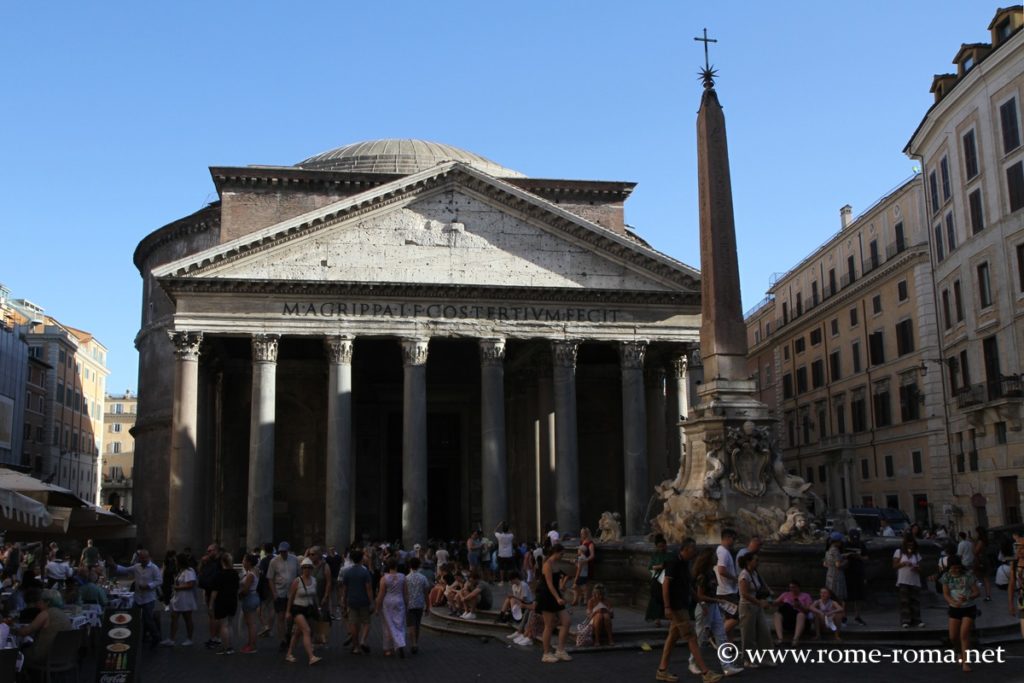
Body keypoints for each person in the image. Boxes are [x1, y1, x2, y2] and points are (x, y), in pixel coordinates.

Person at [657, 538, 723, 683]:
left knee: (672, 638)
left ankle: (662, 670)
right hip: (677, 606)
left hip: (681, 605)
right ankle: (705, 673)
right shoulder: (674, 562)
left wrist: (699, 601)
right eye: (693, 549)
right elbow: (665, 584)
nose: (695, 552)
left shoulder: (685, 563)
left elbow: (688, 587)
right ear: (685, 549)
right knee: (691, 637)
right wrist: (667, 606)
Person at [689, 547, 743, 677]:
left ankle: (727, 666)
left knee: (721, 636)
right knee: (701, 637)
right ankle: (693, 661)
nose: (717, 558)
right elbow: (700, 595)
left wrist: (718, 601)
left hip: (713, 607)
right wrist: (717, 600)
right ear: (709, 558)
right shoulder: (703, 576)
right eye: (714, 556)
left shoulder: (712, 573)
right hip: (704, 608)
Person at [110, 549, 163, 646]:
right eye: (141, 558)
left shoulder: (154, 568)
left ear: (148, 557)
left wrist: (148, 586)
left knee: (148, 619)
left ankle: (156, 637)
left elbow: (159, 581)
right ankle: (138, 636)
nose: (142, 560)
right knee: (135, 617)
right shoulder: (136, 567)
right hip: (138, 598)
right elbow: (125, 570)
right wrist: (114, 565)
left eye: (144, 558)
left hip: (148, 598)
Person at [10, 589, 71, 667]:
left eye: (40, 600)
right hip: (63, 654)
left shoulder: (46, 614)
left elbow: (24, 632)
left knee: (18, 652)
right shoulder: (63, 614)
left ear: (47, 602)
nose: (37, 603)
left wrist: (11, 629)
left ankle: (17, 673)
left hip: (44, 655)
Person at [941, 555, 980, 673]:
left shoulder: (968, 576)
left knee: (964, 634)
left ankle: (966, 662)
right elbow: (946, 593)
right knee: (953, 636)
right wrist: (952, 602)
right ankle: (958, 651)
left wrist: (968, 597)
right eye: (954, 568)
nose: (956, 570)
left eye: (958, 568)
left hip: (968, 607)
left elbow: (977, 592)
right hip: (954, 608)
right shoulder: (946, 576)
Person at [536, 544, 572, 664]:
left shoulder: (556, 563)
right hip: (547, 596)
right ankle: (546, 654)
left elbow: (559, 581)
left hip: (555, 595)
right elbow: (549, 584)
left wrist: (561, 595)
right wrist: (558, 598)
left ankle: (560, 650)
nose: (562, 556)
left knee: (567, 621)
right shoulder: (547, 564)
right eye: (561, 554)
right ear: (555, 552)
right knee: (549, 625)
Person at [738, 552, 773, 668]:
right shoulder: (744, 575)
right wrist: (760, 603)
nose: (758, 562)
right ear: (749, 561)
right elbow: (744, 594)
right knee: (748, 634)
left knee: (764, 632)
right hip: (747, 606)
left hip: (756, 605)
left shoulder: (755, 573)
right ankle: (747, 659)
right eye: (756, 560)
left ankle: (766, 657)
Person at [285, 557, 322, 665]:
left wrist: (318, 608)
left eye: (309, 567)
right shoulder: (297, 581)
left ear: (312, 569)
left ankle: (289, 654)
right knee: (306, 630)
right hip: (298, 609)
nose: (307, 569)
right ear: (302, 569)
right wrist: (288, 611)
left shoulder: (314, 580)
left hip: (308, 609)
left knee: (297, 633)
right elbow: (291, 597)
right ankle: (311, 657)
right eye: (305, 567)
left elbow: (314, 597)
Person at [340, 549, 374, 654]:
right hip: (364, 600)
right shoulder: (365, 572)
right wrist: (371, 602)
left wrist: (343, 602)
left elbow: (344, 590)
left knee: (353, 624)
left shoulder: (347, 572)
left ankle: (356, 647)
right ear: (361, 559)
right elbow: (369, 589)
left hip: (352, 601)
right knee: (366, 622)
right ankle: (363, 640)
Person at [267, 541, 299, 652]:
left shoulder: (295, 560)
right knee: (280, 617)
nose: (283, 553)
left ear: (288, 551)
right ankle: (283, 640)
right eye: (281, 552)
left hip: (292, 593)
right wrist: (274, 593)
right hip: (280, 592)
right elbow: (270, 578)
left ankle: (288, 634)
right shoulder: (274, 561)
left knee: (291, 617)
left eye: (284, 552)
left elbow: (299, 575)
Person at [162, 552, 197, 646]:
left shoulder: (189, 571)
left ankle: (189, 639)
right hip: (178, 598)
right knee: (174, 618)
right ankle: (171, 639)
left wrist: (177, 587)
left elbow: (191, 584)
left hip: (186, 599)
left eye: (176, 561)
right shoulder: (181, 571)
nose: (175, 562)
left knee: (187, 619)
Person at [376, 557, 407, 657]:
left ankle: (388, 648)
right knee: (399, 624)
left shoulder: (384, 578)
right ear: (396, 566)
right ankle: (400, 642)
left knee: (387, 625)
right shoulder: (403, 577)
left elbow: (381, 594)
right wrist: (407, 604)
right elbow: (405, 593)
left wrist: (377, 607)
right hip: (399, 600)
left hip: (388, 601)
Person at [210, 552, 239, 655]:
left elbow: (215, 591)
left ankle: (225, 647)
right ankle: (230, 646)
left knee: (223, 625)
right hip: (232, 600)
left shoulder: (219, 575)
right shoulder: (235, 573)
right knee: (230, 624)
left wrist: (211, 604)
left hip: (221, 601)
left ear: (222, 562)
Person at [893, 535, 925, 628]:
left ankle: (917, 620)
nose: (910, 547)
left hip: (914, 580)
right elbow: (894, 566)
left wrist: (917, 568)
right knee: (904, 601)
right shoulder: (899, 552)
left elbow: (921, 568)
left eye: (912, 545)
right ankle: (905, 620)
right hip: (903, 579)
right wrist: (903, 563)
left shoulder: (916, 554)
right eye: (908, 545)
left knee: (915, 601)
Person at [715, 528, 740, 633]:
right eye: (733, 539)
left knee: (729, 618)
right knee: (737, 615)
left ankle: (728, 642)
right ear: (728, 538)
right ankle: (717, 635)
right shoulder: (723, 552)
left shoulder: (723, 551)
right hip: (726, 591)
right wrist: (735, 579)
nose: (734, 541)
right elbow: (721, 570)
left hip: (727, 590)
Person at [500, 571, 535, 647]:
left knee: (512, 599)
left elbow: (523, 599)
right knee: (509, 599)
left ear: (515, 578)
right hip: (519, 603)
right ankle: (503, 615)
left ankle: (514, 616)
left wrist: (513, 597)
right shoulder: (514, 586)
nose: (510, 582)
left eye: (511, 580)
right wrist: (512, 597)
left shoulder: (524, 585)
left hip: (526, 603)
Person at [197, 544, 222, 649]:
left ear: (216, 551)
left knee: (215, 616)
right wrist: (202, 563)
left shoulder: (220, 562)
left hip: (216, 592)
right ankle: (214, 637)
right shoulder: (208, 562)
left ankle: (216, 638)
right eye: (207, 551)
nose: (207, 553)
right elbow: (200, 573)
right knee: (212, 616)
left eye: (210, 551)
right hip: (209, 591)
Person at [773, 580, 812, 646]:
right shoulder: (785, 594)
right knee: (777, 614)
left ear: (798, 587)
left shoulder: (806, 596)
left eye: (794, 587)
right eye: (790, 587)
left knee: (801, 615)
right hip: (788, 618)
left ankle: (795, 639)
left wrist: (800, 606)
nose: (792, 589)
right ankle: (780, 638)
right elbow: (775, 602)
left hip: (801, 620)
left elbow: (808, 610)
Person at [405, 556, 430, 654]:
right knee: (417, 624)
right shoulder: (423, 578)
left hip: (409, 604)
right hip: (420, 603)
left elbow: (404, 593)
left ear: (409, 566)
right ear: (419, 565)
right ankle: (416, 642)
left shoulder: (406, 578)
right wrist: (428, 606)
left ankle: (413, 643)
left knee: (411, 625)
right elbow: (426, 593)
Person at [645, 534, 671, 627]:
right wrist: (660, 566)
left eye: (663, 546)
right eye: (659, 546)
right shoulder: (655, 555)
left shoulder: (669, 555)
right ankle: (657, 618)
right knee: (656, 599)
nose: (662, 548)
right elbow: (650, 567)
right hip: (657, 579)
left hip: (667, 578)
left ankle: (669, 618)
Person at [843, 529, 868, 625]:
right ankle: (844, 616)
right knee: (845, 596)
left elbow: (866, 557)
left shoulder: (861, 544)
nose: (854, 541)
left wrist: (859, 557)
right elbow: (839, 556)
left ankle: (857, 616)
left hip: (859, 572)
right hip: (847, 572)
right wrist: (847, 555)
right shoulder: (844, 545)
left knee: (859, 596)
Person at [238, 553, 261, 653]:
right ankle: (251, 643)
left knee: (251, 624)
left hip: (249, 598)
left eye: (244, 560)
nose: (242, 562)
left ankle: (252, 645)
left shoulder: (250, 575)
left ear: (249, 562)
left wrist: (239, 594)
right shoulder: (254, 571)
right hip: (253, 596)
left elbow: (245, 590)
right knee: (250, 623)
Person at [823, 533, 848, 602]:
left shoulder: (828, 550)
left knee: (830, 592)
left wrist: (841, 556)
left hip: (829, 573)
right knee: (837, 593)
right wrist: (846, 562)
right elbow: (838, 565)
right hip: (837, 574)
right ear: (837, 542)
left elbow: (825, 564)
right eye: (840, 541)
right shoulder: (836, 550)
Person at [1008, 541, 1024, 639]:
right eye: (1017, 548)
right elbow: (1011, 584)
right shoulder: (1014, 564)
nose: (1019, 551)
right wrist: (1010, 603)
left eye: (1022, 548)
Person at [973, 527, 992, 602]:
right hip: (984, 559)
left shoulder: (980, 541)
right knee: (986, 578)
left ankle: (976, 592)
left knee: (976, 577)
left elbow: (975, 552)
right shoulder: (985, 540)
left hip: (980, 561)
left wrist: (973, 544)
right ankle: (988, 595)